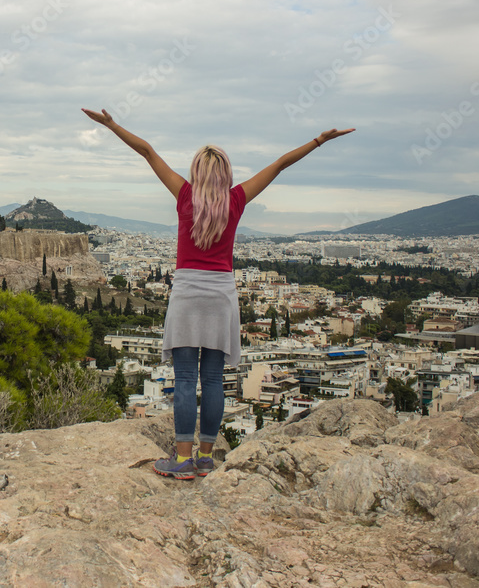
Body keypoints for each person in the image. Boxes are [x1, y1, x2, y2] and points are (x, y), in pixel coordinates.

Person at [81, 107, 355, 479]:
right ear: (225, 174)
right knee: (211, 379)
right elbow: (279, 165)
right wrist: (318, 141)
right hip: (221, 294)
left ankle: (181, 460)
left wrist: (112, 125)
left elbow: (147, 151)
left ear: (196, 172)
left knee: (184, 379)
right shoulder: (236, 200)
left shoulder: (184, 195)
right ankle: (207, 458)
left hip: (189, 291)